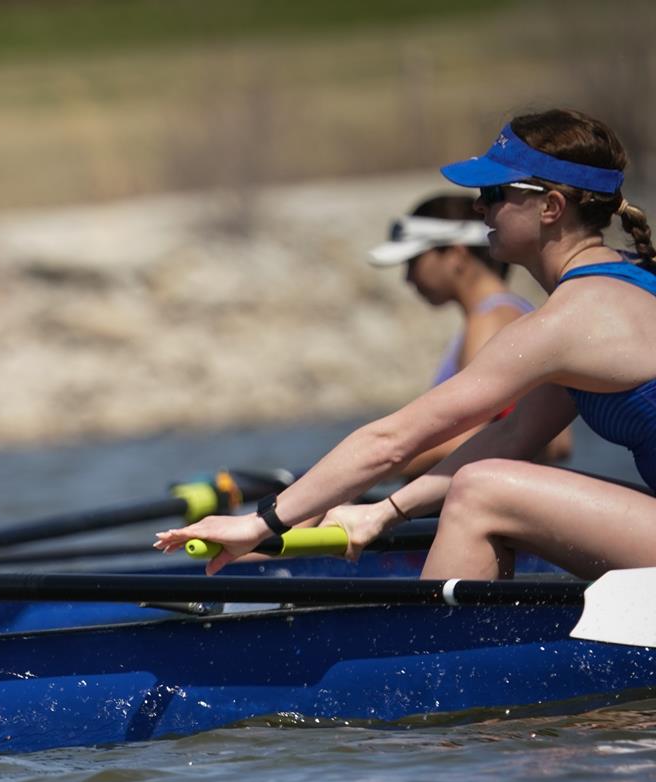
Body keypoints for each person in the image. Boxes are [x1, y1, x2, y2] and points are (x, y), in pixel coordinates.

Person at [157, 109, 656, 582]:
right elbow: (513, 435)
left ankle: (438, 671)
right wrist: (383, 512)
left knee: (480, 490)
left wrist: (259, 525)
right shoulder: (626, 283)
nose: (479, 206)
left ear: (551, 208)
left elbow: (392, 440)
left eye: (495, 191)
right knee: (485, 476)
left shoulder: (565, 322)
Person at [366, 193, 571, 473]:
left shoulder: (490, 322)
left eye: (413, 261)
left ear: (456, 254)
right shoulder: (514, 312)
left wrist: (370, 468)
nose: (407, 278)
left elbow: (467, 439)